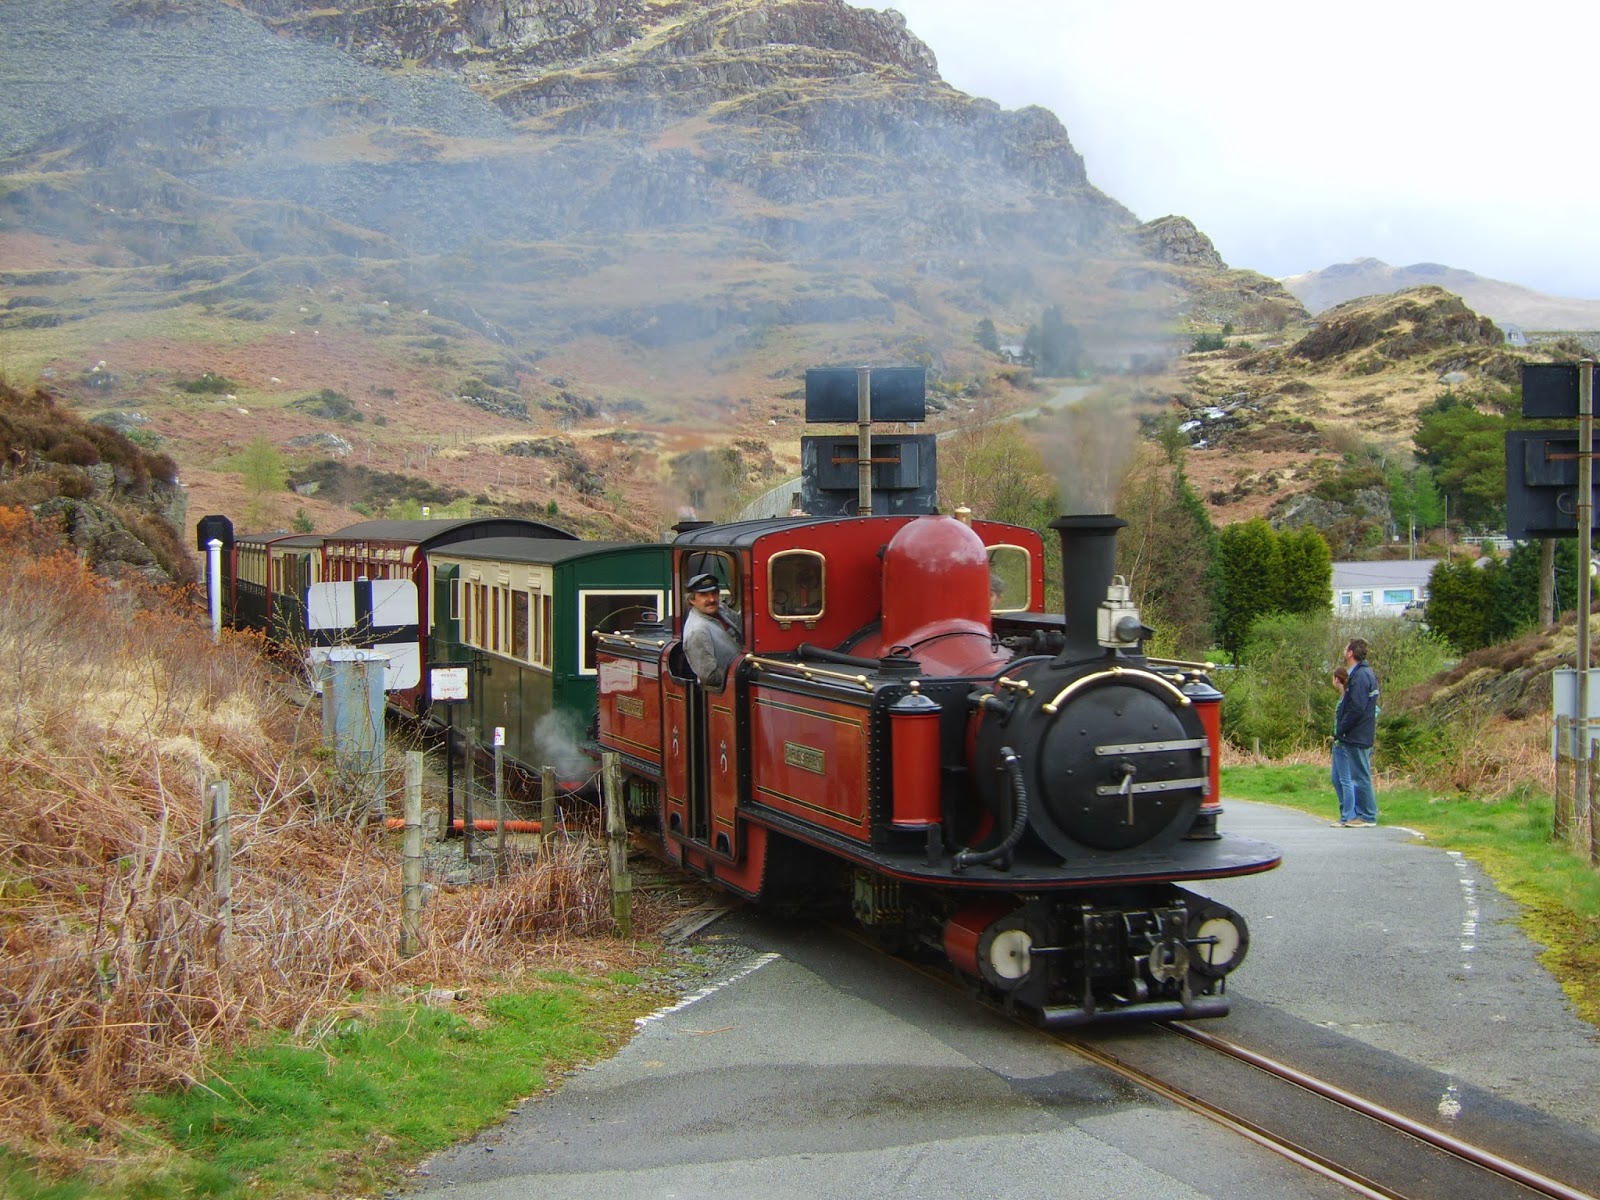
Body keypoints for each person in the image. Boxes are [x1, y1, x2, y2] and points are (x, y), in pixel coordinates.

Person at [1334, 638, 1380, 827]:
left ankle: (1367, 815)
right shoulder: (1362, 674)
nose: (1344, 651)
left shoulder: (1361, 676)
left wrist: (1342, 729)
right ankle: (1363, 814)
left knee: (1360, 776)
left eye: (1346, 649)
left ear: (1351, 653)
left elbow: (1357, 707)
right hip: (1359, 733)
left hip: (1358, 734)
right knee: (1359, 775)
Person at [681, 572, 741, 688]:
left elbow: (742, 625)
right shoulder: (697, 631)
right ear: (692, 600)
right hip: (727, 690)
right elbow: (709, 676)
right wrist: (739, 678)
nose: (712, 599)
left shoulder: (721, 609)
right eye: (704, 595)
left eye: (714, 593)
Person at [1329, 666, 1356, 826]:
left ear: (1337, 679)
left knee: (1346, 779)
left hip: (1345, 742)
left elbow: (1372, 710)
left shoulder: (1349, 698)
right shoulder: (1342, 698)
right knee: (1336, 779)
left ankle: (1348, 816)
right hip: (1337, 742)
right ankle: (1344, 811)